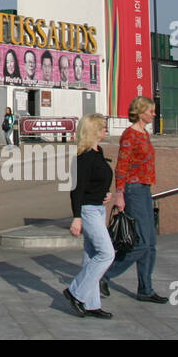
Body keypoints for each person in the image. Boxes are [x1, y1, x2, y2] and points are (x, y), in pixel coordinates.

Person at [101, 96, 167, 304]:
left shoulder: (144, 134)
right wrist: (120, 194)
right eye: (150, 111)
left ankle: (146, 289)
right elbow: (122, 166)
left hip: (145, 189)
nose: (154, 114)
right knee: (141, 243)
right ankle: (104, 275)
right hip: (134, 190)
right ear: (140, 112)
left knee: (151, 244)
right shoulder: (130, 135)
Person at [64, 113, 114, 319]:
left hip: (98, 208)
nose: (106, 131)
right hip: (88, 211)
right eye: (102, 128)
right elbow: (76, 190)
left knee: (92, 256)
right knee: (107, 253)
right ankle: (75, 291)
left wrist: (106, 193)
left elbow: (98, 181)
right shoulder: (83, 158)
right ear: (94, 130)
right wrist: (76, 217)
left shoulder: (98, 152)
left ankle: (92, 304)